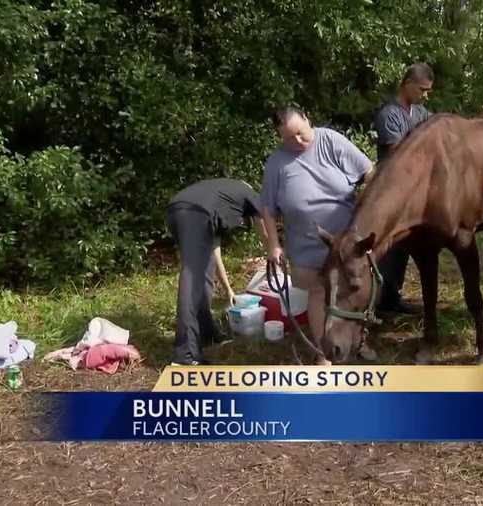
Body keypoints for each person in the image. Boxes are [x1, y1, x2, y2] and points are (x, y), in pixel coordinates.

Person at [260, 106, 375, 364]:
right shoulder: (277, 163)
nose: (298, 141)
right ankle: (323, 352)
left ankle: (359, 342)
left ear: (307, 120)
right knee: (318, 294)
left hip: (346, 243)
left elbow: (369, 172)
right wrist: (274, 245)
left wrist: (373, 204)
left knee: (354, 293)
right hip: (307, 245)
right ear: (280, 137)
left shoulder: (330, 140)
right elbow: (266, 208)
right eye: (289, 138)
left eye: (300, 133)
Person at [166, 178, 266, 365]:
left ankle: (206, 333)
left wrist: (228, 289)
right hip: (194, 213)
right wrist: (271, 251)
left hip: (177, 211)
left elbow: (215, 253)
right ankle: (185, 355)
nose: (242, 223)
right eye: (244, 220)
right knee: (192, 275)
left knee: (204, 269)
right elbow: (264, 218)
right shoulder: (247, 191)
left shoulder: (218, 201)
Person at [372, 63, 434, 314]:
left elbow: (435, 135)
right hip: (391, 190)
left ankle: (392, 297)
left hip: (414, 190)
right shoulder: (390, 114)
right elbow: (398, 154)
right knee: (390, 248)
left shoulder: (420, 112)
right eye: (422, 89)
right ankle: (381, 300)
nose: (425, 94)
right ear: (407, 84)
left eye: (428, 90)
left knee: (407, 247)